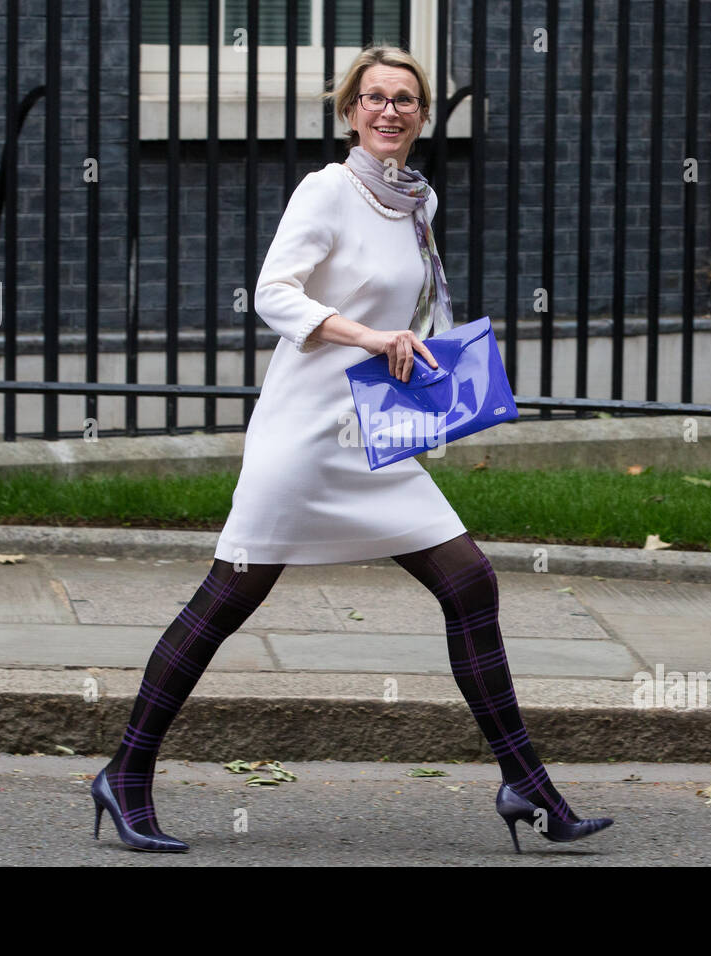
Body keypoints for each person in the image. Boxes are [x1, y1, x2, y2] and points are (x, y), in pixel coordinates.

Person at [92, 45, 613, 855]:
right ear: (349, 111)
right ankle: (124, 774)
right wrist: (369, 334)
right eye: (373, 97)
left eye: (405, 99)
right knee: (226, 600)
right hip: (305, 437)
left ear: (421, 115)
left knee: (470, 583)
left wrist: (439, 363)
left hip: (374, 438)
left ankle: (526, 783)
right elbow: (274, 293)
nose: (389, 111)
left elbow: (416, 311)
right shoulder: (328, 190)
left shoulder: (413, 203)